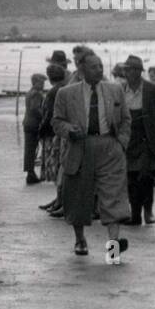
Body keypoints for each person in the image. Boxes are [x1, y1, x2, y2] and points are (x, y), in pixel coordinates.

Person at [51, 50, 131, 257]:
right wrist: (69, 130)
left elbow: (125, 119)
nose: (100, 70)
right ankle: (80, 240)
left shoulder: (115, 90)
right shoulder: (66, 93)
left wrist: (121, 143)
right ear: (81, 69)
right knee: (77, 197)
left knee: (113, 197)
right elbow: (56, 122)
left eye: (101, 66)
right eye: (94, 66)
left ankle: (113, 249)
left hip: (109, 147)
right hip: (80, 147)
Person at [118, 55, 155, 226]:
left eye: (129, 69)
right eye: (124, 69)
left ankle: (148, 211)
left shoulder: (154, 89)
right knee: (130, 177)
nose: (125, 72)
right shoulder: (120, 89)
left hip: (147, 139)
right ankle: (135, 214)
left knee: (145, 176)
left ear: (138, 71)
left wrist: (152, 131)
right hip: (128, 139)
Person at [38, 63, 67, 201]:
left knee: (55, 167)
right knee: (61, 167)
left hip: (53, 133)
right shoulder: (66, 87)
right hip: (61, 131)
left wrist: (41, 130)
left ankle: (60, 200)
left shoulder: (53, 92)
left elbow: (49, 114)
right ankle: (59, 200)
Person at [22, 72, 46, 185]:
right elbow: (35, 109)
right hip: (33, 124)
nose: (43, 85)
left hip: (28, 123)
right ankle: (30, 174)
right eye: (41, 82)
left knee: (29, 149)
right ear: (36, 82)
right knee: (32, 149)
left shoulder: (29, 93)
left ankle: (30, 173)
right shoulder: (36, 94)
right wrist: (44, 117)